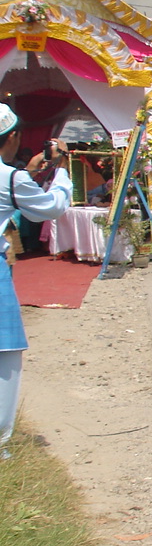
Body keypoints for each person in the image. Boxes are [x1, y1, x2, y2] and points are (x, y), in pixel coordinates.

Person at [0, 103, 71, 455]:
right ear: (12, 137)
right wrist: (61, 172)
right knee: (6, 350)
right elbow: (50, 207)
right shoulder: (10, 179)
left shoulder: (14, 175)